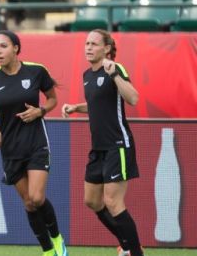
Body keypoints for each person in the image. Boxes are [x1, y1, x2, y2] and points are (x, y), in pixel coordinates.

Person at [0, 31, 67, 256]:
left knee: (37, 197)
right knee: (28, 203)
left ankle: (57, 239)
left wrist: (41, 111)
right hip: (10, 147)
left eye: (3, 46)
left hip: (36, 142)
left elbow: (53, 99)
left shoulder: (36, 71)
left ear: (16, 48)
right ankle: (48, 250)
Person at [62, 30, 143, 256]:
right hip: (98, 148)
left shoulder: (115, 69)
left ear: (107, 48)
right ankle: (126, 244)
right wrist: (76, 108)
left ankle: (135, 252)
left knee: (113, 201)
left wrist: (115, 75)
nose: (88, 47)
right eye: (86, 43)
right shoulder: (87, 74)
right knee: (92, 201)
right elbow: (98, 104)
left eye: (94, 44)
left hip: (118, 144)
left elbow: (133, 98)